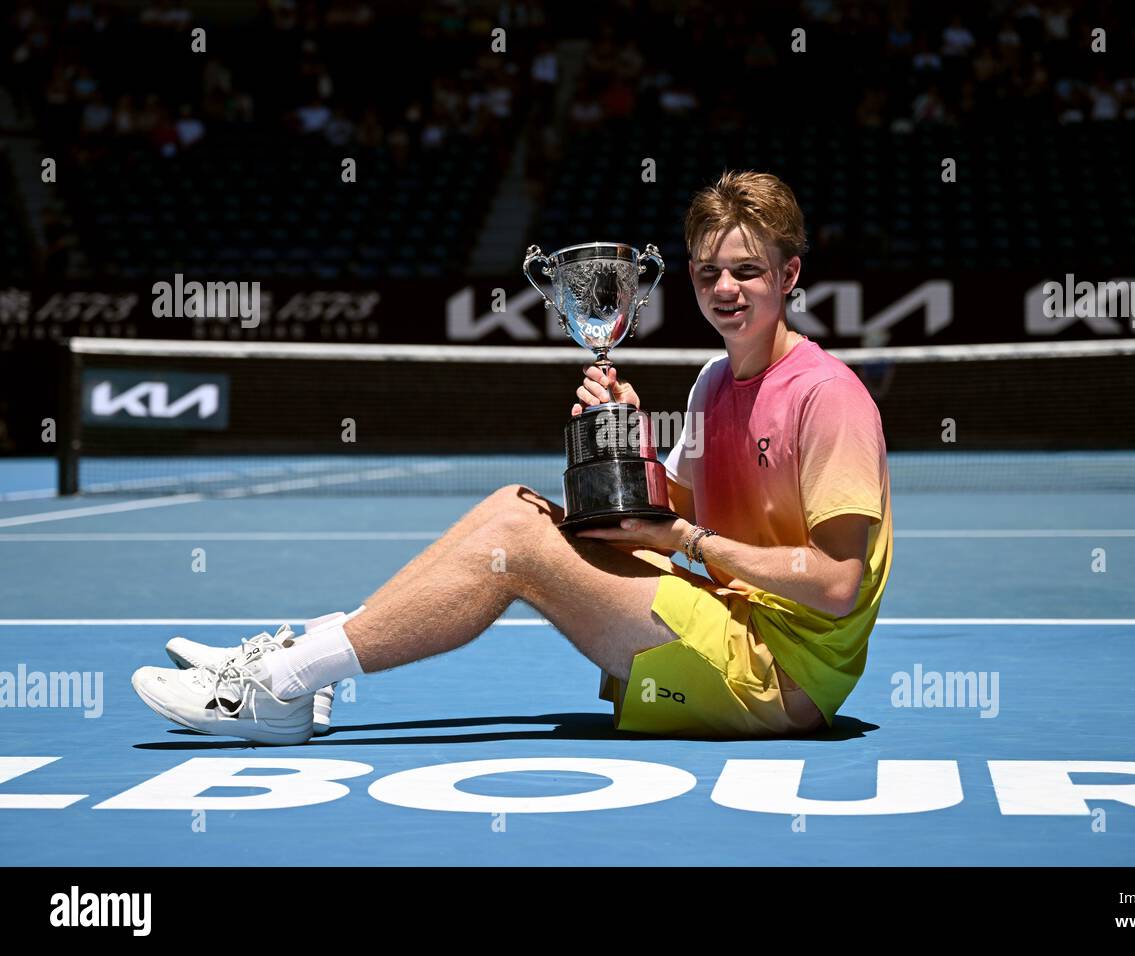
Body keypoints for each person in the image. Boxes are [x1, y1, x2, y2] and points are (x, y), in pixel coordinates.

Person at [131, 170, 892, 743]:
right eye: (708, 272)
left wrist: (681, 543)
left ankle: (276, 687)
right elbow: (681, 510)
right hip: (726, 621)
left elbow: (834, 583)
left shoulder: (827, 396)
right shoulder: (713, 382)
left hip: (780, 677)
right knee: (514, 508)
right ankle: (312, 659)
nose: (725, 288)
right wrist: (632, 450)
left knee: (516, 544)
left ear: (788, 276)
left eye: (748, 271)